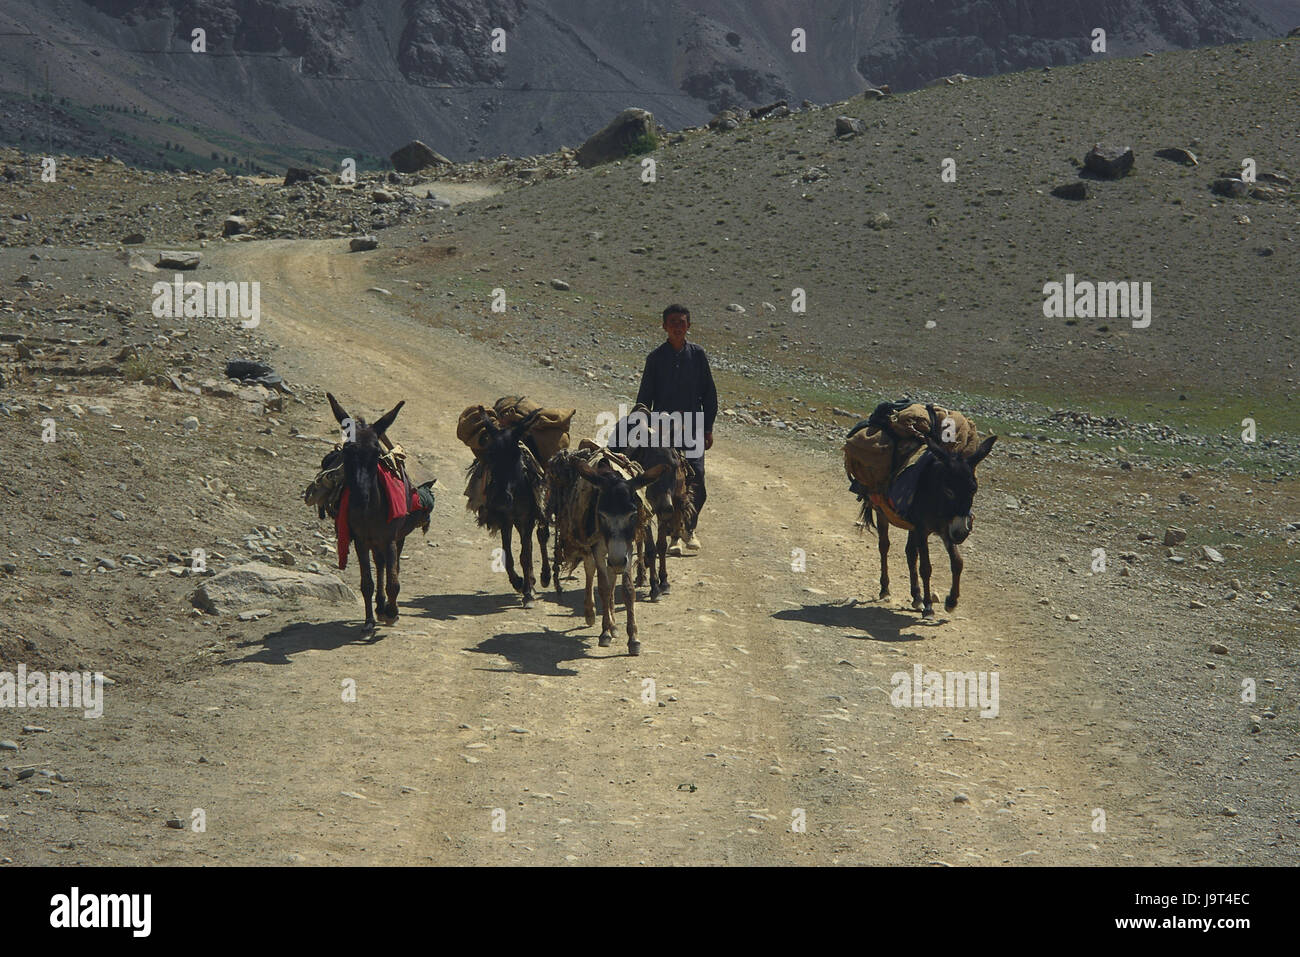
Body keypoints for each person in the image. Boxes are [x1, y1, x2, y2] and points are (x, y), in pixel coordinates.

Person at [634, 304, 717, 553]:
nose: (678, 327)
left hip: (692, 427)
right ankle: (671, 535)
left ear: (689, 326)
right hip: (662, 429)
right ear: (664, 326)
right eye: (673, 322)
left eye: (682, 322)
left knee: (696, 477)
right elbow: (643, 399)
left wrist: (708, 428)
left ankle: (688, 529)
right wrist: (639, 428)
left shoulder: (698, 355)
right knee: (666, 479)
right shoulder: (655, 359)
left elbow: (709, 396)